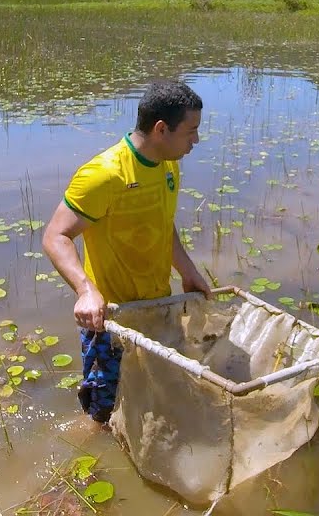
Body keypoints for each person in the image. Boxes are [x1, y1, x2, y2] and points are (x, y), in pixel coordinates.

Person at [42, 79, 212, 424]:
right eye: (190, 131)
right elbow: (55, 236)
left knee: (159, 393)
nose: (195, 140)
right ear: (161, 129)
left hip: (158, 308)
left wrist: (187, 270)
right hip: (111, 319)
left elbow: (163, 225)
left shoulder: (168, 166)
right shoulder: (104, 175)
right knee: (104, 412)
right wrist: (86, 291)